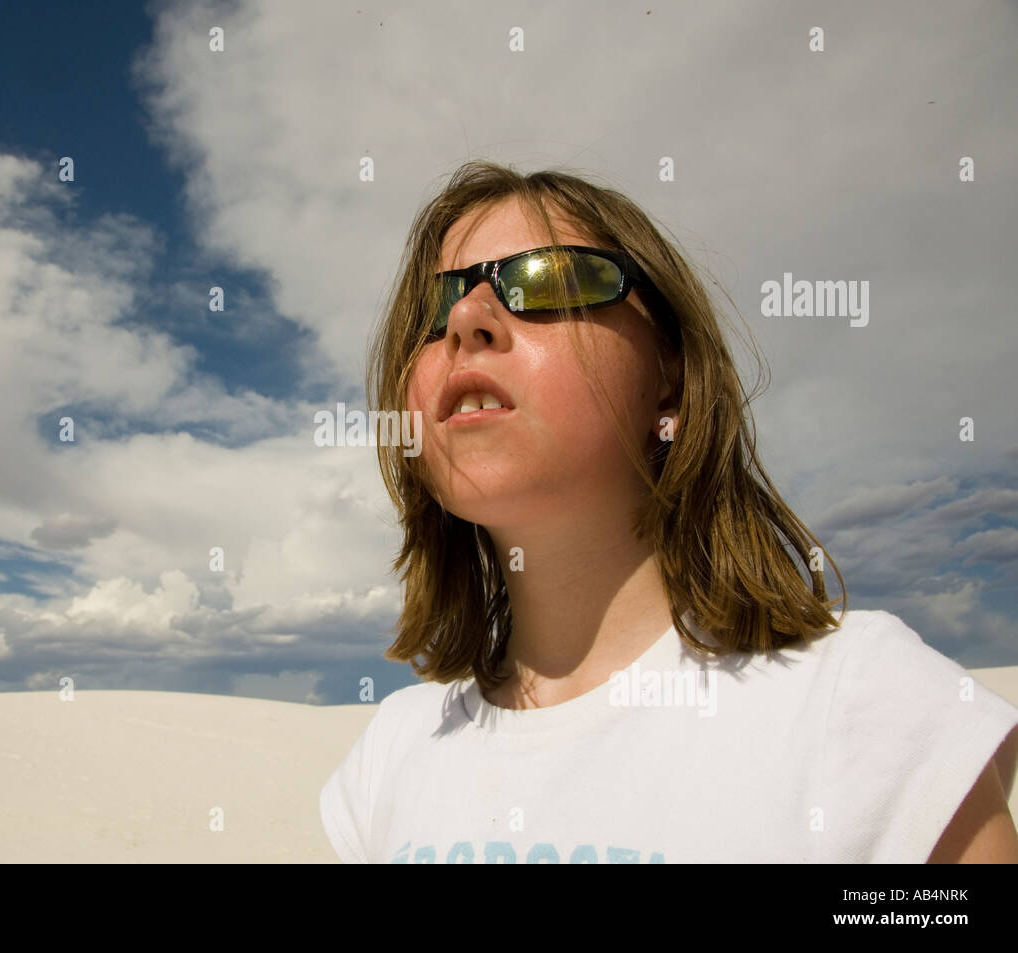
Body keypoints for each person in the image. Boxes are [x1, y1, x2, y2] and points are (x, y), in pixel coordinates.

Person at [319, 160, 1018, 864]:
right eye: (437, 306)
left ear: (670, 385)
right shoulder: (392, 755)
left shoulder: (862, 707)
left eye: (550, 281)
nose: (467, 318)